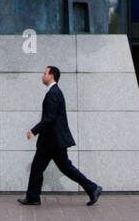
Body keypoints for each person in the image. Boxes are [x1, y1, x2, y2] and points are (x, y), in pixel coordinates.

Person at [18, 65, 101, 206]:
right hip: (51, 140)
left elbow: (50, 117)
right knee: (42, 167)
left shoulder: (53, 93)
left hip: (53, 141)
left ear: (51, 76)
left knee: (60, 167)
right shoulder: (53, 92)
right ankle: (33, 196)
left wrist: (34, 130)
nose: (43, 76)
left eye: (45, 73)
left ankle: (92, 188)